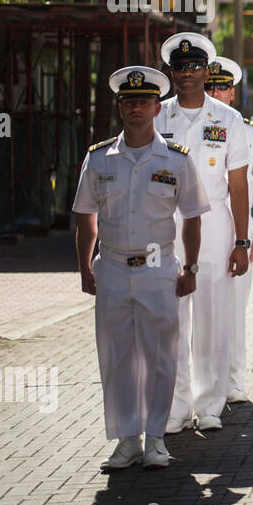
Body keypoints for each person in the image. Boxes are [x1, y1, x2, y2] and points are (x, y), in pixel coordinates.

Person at [73, 67, 211, 469]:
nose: (137, 108)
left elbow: (193, 217)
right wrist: (85, 269)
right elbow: (86, 217)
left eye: (144, 102)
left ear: (156, 108)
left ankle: (155, 438)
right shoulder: (99, 159)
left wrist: (191, 269)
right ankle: (126, 439)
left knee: (160, 357)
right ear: (120, 108)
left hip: (158, 269)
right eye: (129, 102)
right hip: (113, 268)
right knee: (116, 357)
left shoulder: (176, 160)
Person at [155, 33, 251, 434]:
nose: (187, 74)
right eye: (180, 67)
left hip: (213, 223)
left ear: (207, 71)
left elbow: (240, 185)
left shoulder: (228, 120)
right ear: (171, 72)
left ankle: (209, 404)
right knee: (170, 320)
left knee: (211, 317)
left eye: (195, 67)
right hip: (165, 224)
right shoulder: (157, 116)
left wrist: (243, 241)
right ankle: (175, 408)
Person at [206, 55, 253, 402]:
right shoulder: (180, 124)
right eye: (210, 86)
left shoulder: (250, 132)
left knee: (233, 308)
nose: (216, 92)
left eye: (222, 87)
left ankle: (233, 380)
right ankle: (199, 383)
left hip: (238, 226)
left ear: (233, 93)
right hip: (194, 224)